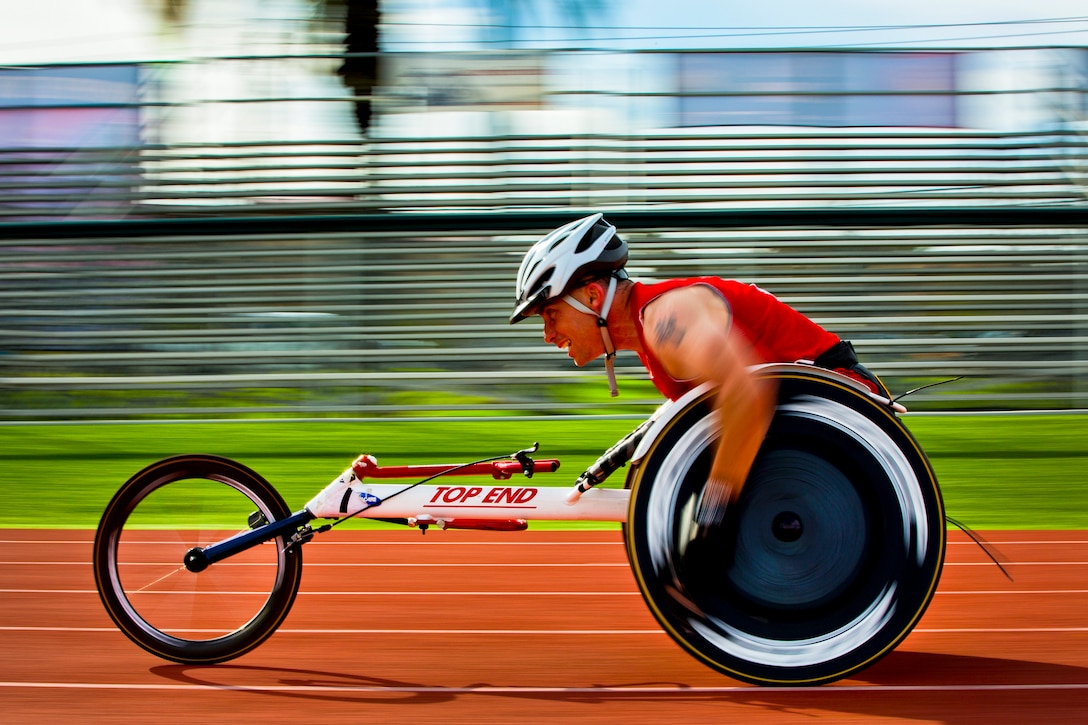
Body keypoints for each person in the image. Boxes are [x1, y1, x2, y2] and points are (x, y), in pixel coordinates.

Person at [509, 213, 888, 526]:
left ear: (592, 296)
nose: (548, 335)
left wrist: (711, 515)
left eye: (551, 314)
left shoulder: (666, 319)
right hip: (811, 424)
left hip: (844, 418)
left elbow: (746, 395)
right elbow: (707, 402)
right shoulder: (652, 332)